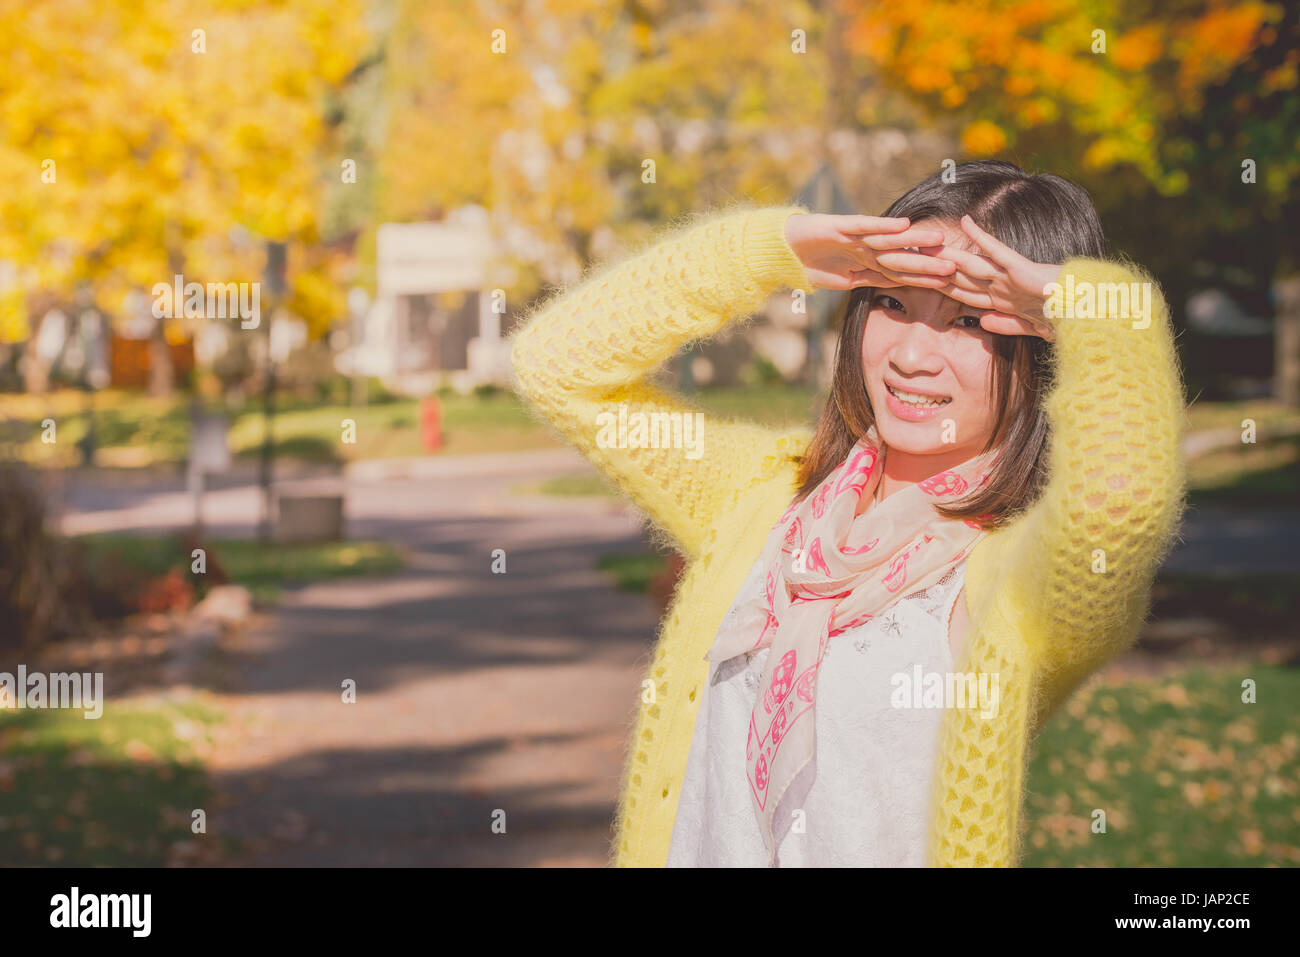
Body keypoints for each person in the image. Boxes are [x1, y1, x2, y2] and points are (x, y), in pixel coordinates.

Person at [508, 160, 1186, 867]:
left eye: (968, 319)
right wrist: (772, 253)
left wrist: (1092, 313)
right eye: (893, 303)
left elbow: (1119, 506)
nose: (913, 355)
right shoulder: (763, 496)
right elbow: (556, 365)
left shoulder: (1014, 577)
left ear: (1037, 341)